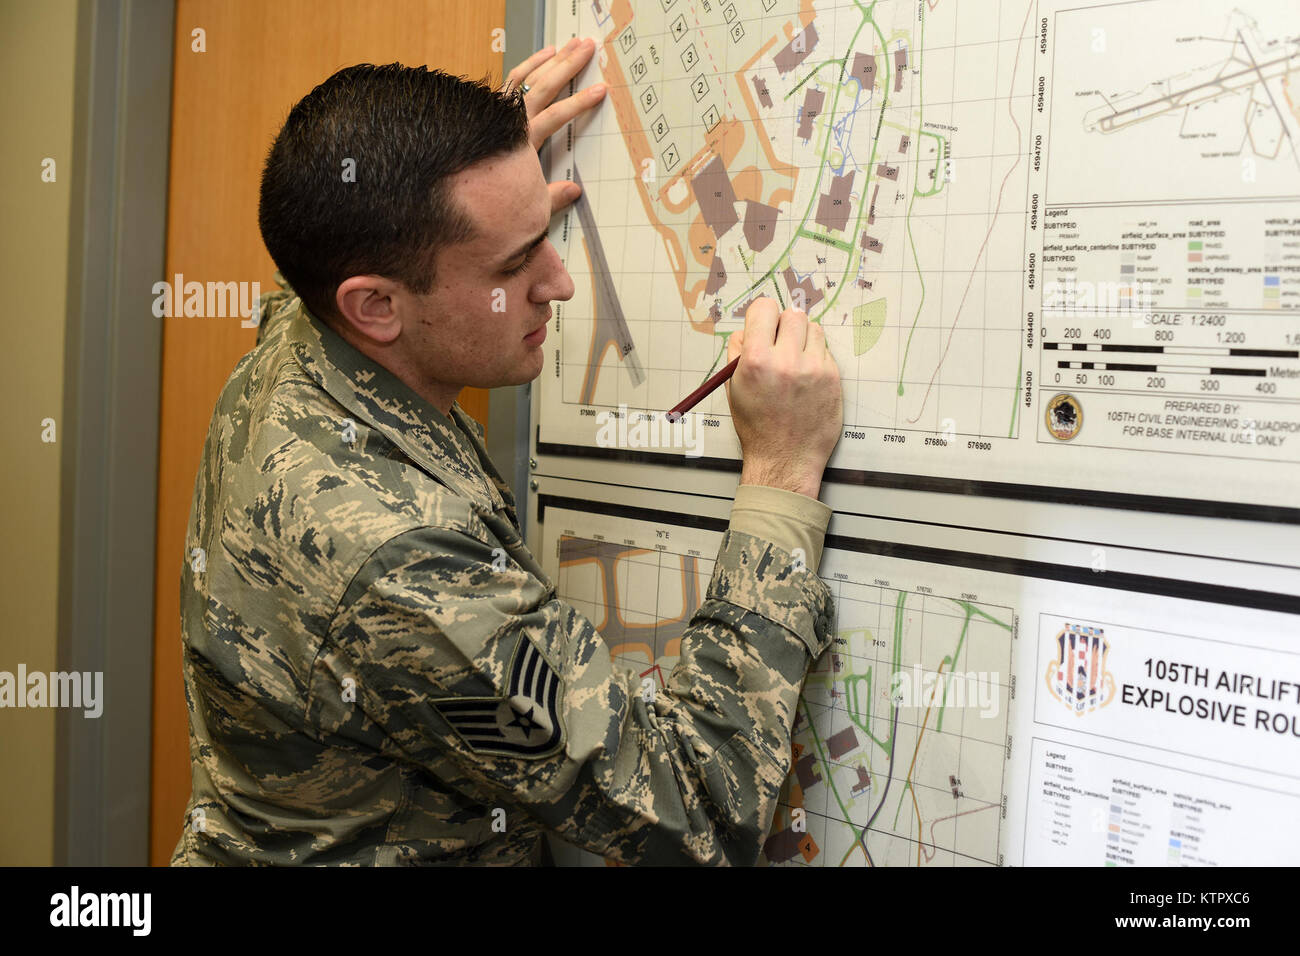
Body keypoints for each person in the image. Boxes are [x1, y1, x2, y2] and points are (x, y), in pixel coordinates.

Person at [171, 38, 843, 866]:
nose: (558, 282)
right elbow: (693, 808)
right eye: (516, 259)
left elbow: (364, 214)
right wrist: (781, 475)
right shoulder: (401, 568)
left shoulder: (309, 315)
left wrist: (471, 167)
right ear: (375, 305)